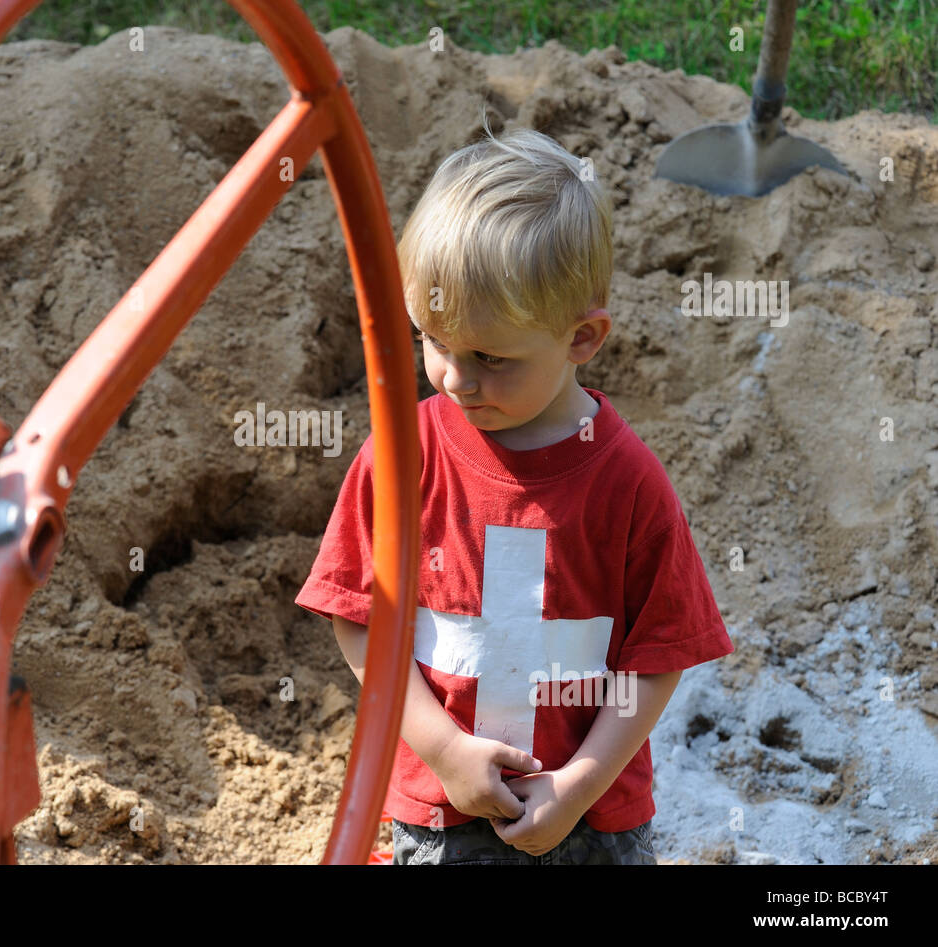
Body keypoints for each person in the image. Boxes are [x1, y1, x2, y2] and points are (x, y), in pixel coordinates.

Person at [294, 121, 734, 865]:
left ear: (582, 338)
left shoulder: (627, 482)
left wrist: (579, 785)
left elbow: (657, 657)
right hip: (444, 811)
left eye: (492, 357)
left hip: (593, 823)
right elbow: (361, 620)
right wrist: (445, 750)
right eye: (433, 340)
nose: (457, 378)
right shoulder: (404, 458)